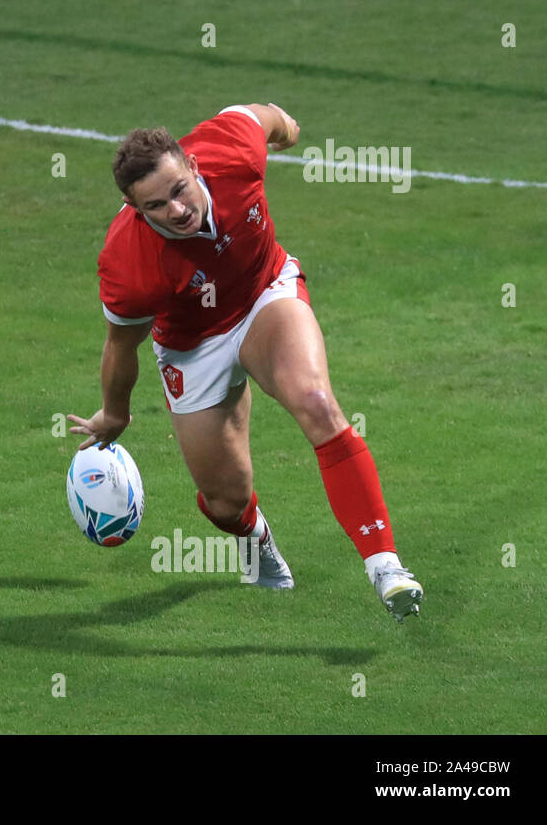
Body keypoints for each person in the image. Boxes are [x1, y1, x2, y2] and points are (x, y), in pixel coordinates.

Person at [69, 104, 423, 621]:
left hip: (264, 296)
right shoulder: (128, 264)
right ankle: (254, 536)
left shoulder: (232, 152)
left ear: (192, 165)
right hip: (193, 346)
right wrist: (114, 414)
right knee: (224, 503)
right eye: (156, 205)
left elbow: (265, 116)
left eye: (179, 190)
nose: (177, 209)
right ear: (132, 206)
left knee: (317, 403)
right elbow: (121, 346)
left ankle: (385, 566)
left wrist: (290, 130)